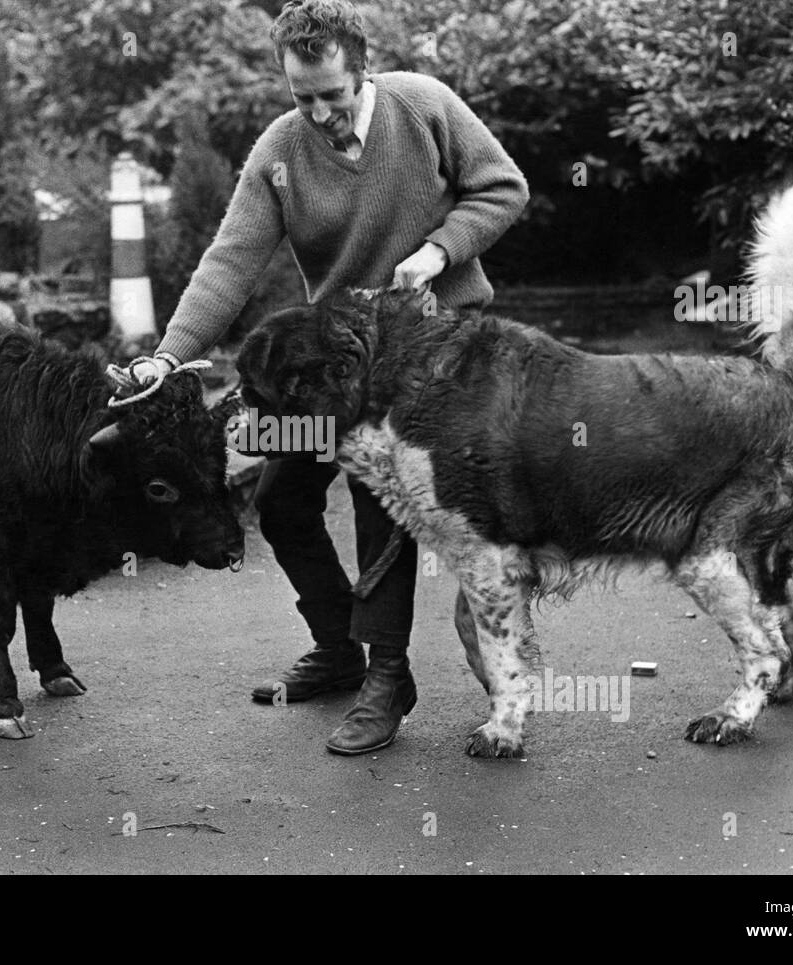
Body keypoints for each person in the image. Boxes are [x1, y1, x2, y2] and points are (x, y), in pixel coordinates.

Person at [131, 0, 529, 755]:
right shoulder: (281, 151)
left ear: (362, 71)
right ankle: (339, 644)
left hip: (441, 347)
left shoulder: (425, 107)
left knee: (381, 501)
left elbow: (504, 188)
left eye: (331, 96)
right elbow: (231, 261)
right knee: (281, 497)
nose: (317, 113)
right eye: (300, 97)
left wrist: (440, 252)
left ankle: (389, 676)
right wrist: (166, 354)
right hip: (339, 363)